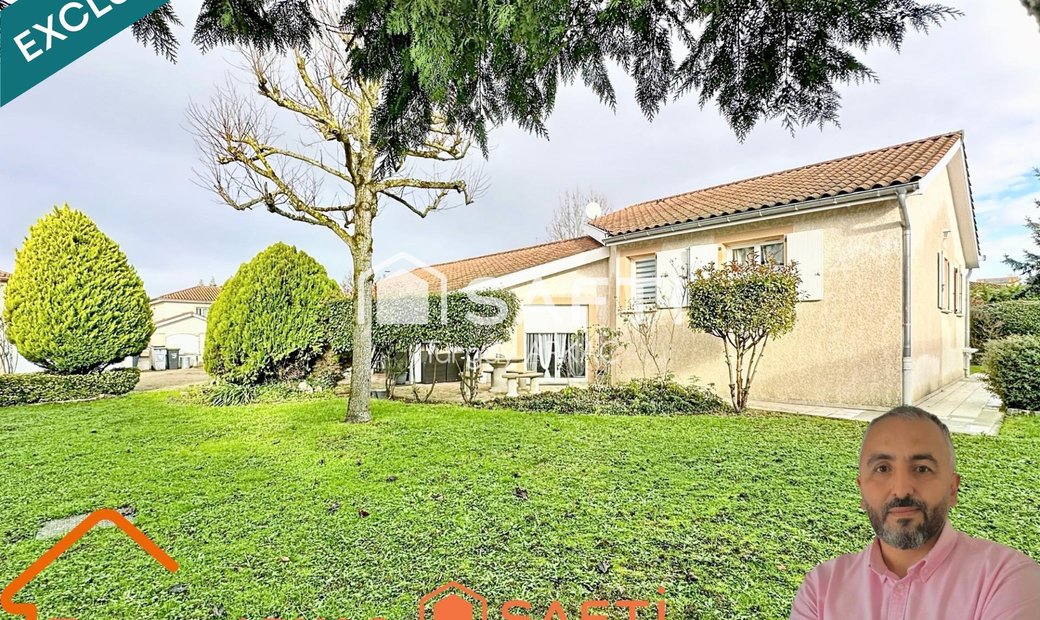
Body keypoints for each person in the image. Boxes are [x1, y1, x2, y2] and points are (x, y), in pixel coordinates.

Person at [790, 405, 1040, 620]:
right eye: (882, 468)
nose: (901, 490)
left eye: (921, 469)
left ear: (952, 489)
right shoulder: (821, 590)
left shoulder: (1007, 580)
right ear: (861, 492)